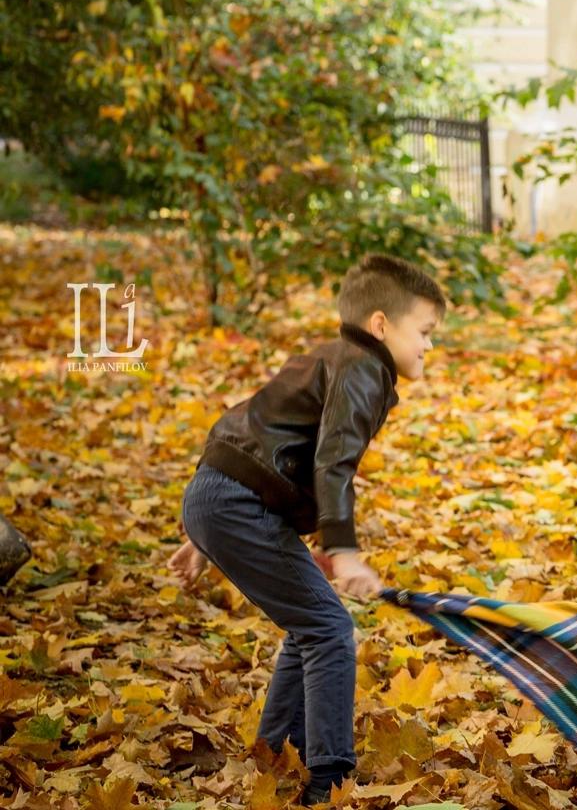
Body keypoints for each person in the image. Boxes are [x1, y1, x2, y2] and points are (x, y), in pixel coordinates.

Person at [167, 254, 445, 806]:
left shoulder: (336, 360)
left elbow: (257, 440)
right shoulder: (364, 369)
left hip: (223, 496)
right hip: (236, 503)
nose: (430, 346)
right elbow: (333, 461)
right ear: (381, 325)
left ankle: (276, 751)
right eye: (425, 332)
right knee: (329, 629)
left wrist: (203, 532)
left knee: (310, 624)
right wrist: (342, 549)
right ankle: (330, 779)